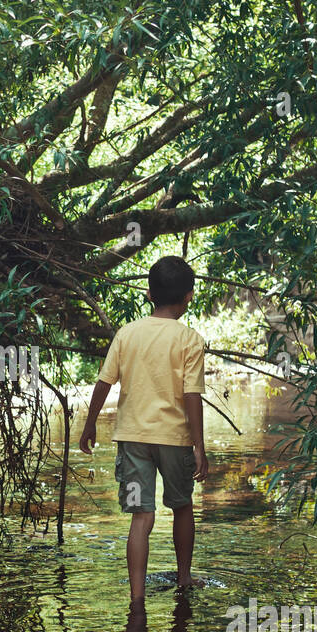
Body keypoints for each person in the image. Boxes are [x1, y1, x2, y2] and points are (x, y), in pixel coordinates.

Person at [78, 255, 208, 598]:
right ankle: (184, 578)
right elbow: (192, 395)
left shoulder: (128, 334)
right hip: (174, 439)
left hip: (133, 438)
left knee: (142, 518)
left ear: (150, 294)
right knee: (182, 507)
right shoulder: (190, 340)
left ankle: (137, 598)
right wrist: (200, 447)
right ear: (188, 296)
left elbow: (104, 383)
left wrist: (89, 425)